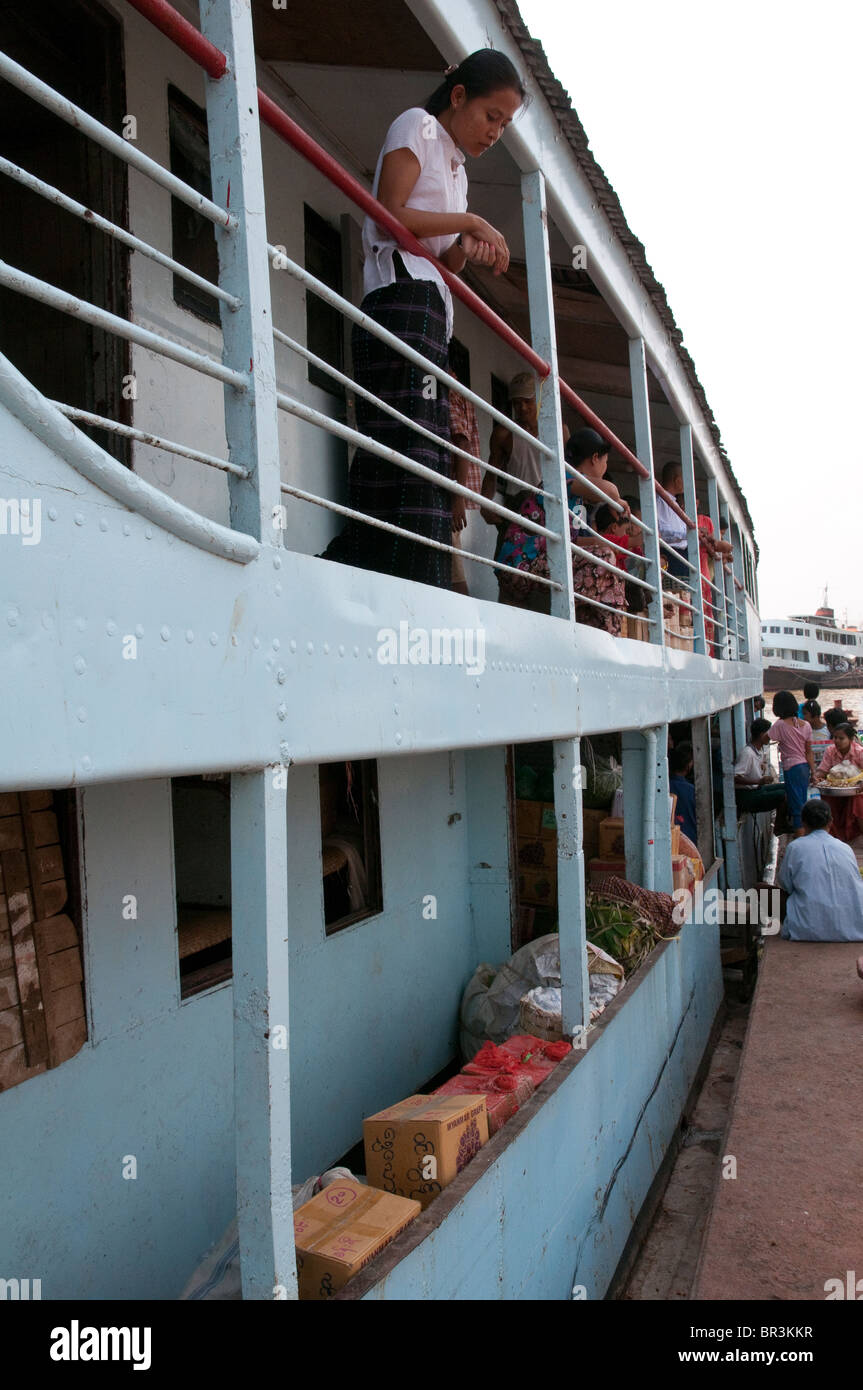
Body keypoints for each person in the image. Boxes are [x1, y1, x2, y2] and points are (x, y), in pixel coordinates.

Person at [319, 50, 525, 588]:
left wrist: (464, 248)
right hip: (399, 301)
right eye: (491, 116)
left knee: (422, 458)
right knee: (404, 451)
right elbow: (389, 214)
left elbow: (443, 259)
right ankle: (371, 570)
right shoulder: (418, 127)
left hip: (431, 311)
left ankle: (396, 575)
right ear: (459, 96)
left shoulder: (457, 171)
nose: (496, 132)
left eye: (505, 124)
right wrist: (470, 220)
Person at [492, 426, 629, 632]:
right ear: (594, 458)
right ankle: (604, 633)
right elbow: (609, 489)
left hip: (537, 561)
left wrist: (599, 541)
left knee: (606, 561)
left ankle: (595, 631)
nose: (605, 467)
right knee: (604, 559)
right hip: (523, 563)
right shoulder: (563, 477)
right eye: (605, 461)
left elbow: (573, 541)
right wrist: (615, 499)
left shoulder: (578, 501)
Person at [777, 799, 863, 941]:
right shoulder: (845, 848)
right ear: (831, 822)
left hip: (807, 928)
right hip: (853, 927)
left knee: (762, 890)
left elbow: (786, 884)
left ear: (803, 823)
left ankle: (783, 927)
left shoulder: (795, 847)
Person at [447, 374, 483, 596]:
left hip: (447, 492)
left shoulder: (445, 383)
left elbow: (462, 440)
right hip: (451, 491)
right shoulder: (458, 385)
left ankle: (464, 629)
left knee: (454, 577)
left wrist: (457, 496)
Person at [769, 689, 814, 832]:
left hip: (791, 768)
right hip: (804, 767)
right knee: (802, 802)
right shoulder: (806, 725)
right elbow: (809, 752)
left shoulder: (780, 725)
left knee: (796, 808)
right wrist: (814, 772)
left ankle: (800, 839)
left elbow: (767, 738)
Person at [814, 721, 863, 843]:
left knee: (857, 802)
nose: (837, 741)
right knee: (826, 799)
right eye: (835, 737)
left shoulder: (859, 752)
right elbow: (823, 770)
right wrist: (816, 777)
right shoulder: (830, 751)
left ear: (851, 739)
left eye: (841, 738)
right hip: (836, 790)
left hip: (857, 789)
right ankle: (832, 835)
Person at [734, 718, 786, 814]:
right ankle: (780, 826)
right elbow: (735, 778)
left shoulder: (759, 750)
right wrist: (759, 781)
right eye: (769, 733)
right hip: (746, 796)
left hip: (756, 790)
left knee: (787, 787)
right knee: (783, 795)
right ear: (762, 734)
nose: (771, 736)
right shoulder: (748, 753)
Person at [668, 742, 698, 843]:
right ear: (689, 765)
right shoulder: (692, 790)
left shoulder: (665, 787)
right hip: (690, 840)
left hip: (671, 839)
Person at [801, 699, 831, 771]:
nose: (803, 717)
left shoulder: (828, 730)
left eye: (805, 714)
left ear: (815, 715)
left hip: (825, 766)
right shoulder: (803, 731)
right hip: (809, 767)